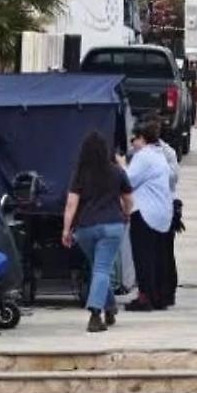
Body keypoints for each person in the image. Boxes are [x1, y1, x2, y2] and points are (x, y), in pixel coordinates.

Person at [62, 131, 134, 333]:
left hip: (85, 229)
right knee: (102, 269)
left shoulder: (79, 174)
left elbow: (71, 204)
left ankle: (110, 307)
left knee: (98, 268)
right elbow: (129, 199)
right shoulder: (117, 172)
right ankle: (95, 314)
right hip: (112, 226)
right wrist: (126, 214)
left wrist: (66, 230)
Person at [124, 119, 175, 311]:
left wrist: (121, 166)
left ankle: (144, 296)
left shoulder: (143, 156)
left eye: (134, 139)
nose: (132, 144)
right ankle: (158, 296)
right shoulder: (159, 155)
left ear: (142, 139)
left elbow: (128, 181)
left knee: (142, 256)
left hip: (144, 213)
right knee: (156, 257)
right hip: (160, 214)